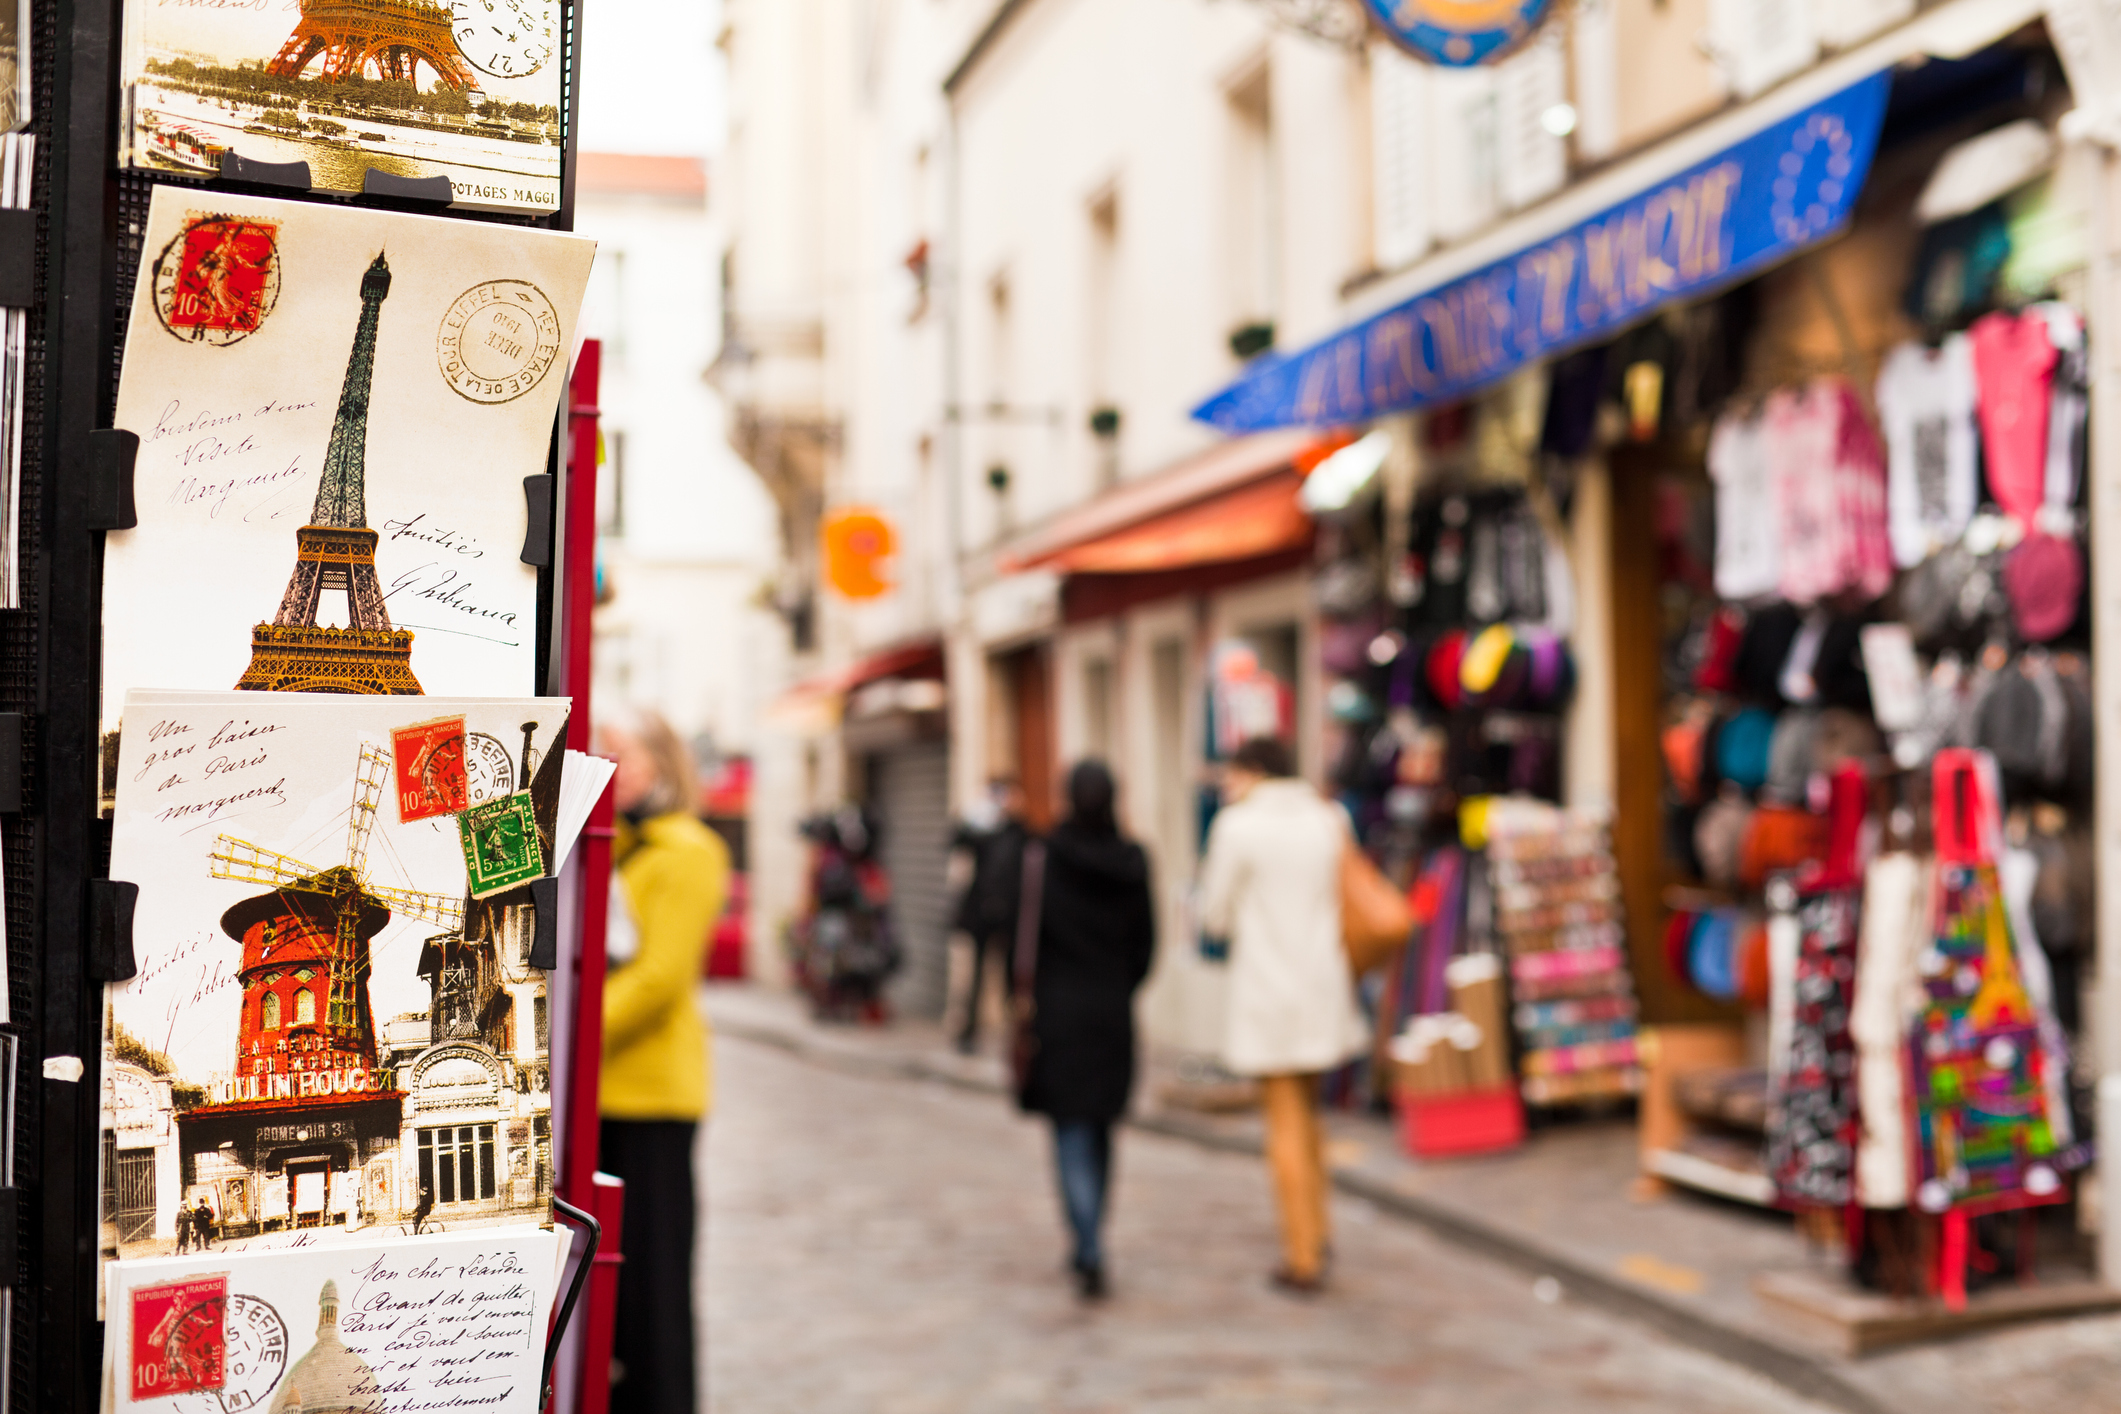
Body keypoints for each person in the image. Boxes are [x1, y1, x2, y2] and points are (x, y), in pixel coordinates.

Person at [1198, 736, 1368, 1295]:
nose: (1225, 786)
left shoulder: (1237, 828)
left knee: (1284, 1125)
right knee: (1312, 1117)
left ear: (1252, 773)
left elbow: (1214, 916)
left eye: (1231, 774)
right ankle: (1319, 1230)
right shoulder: (1328, 818)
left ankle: (1301, 1254)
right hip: (1321, 983)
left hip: (1269, 990)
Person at [598, 708, 729, 1414]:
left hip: (652, 1095)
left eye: (615, 751)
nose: (603, 762)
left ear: (656, 763)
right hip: (605, 1094)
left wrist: (573, 1038)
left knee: (655, 1288)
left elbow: (658, 978)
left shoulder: (687, 850)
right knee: (616, 1288)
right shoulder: (614, 845)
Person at [1018, 761, 1155, 1301]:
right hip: (1111, 1012)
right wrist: (1120, 985)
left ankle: (1088, 1241)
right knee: (1100, 1128)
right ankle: (1093, 1230)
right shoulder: (1133, 861)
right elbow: (1147, 944)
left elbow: (1022, 935)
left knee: (1071, 1131)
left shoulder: (1043, 857)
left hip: (1058, 1011)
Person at [951, 777, 1029, 1053]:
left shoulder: (1021, 833)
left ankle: (1017, 1035)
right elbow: (957, 841)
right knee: (976, 978)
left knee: (1012, 979)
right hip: (982, 915)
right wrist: (974, 816)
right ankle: (967, 1033)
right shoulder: (984, 831)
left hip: (1011, 917)